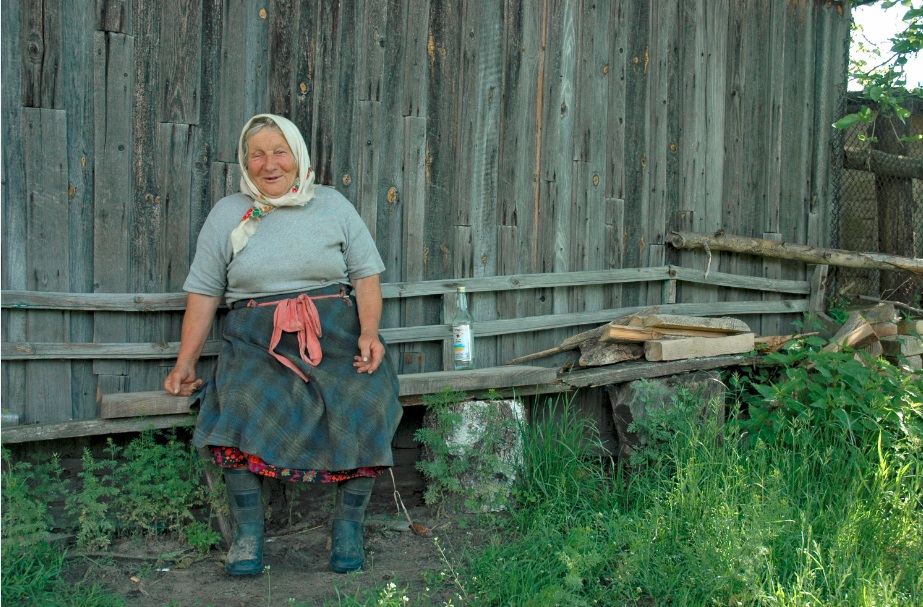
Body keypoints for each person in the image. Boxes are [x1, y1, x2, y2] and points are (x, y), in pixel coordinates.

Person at [164, 113, 403, 576]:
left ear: (297, 156)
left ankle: (347, 528)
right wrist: (185, 363)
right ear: (244, 161)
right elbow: (205, 291)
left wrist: (369, 333)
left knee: (366, 398)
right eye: (257, 153)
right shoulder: (228, 213)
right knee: (236, 401)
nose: (269, 163)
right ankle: (249, 534)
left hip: (334, 334)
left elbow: (365, 276)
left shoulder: (332, 205)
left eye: (279, 151)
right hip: (256, 341)